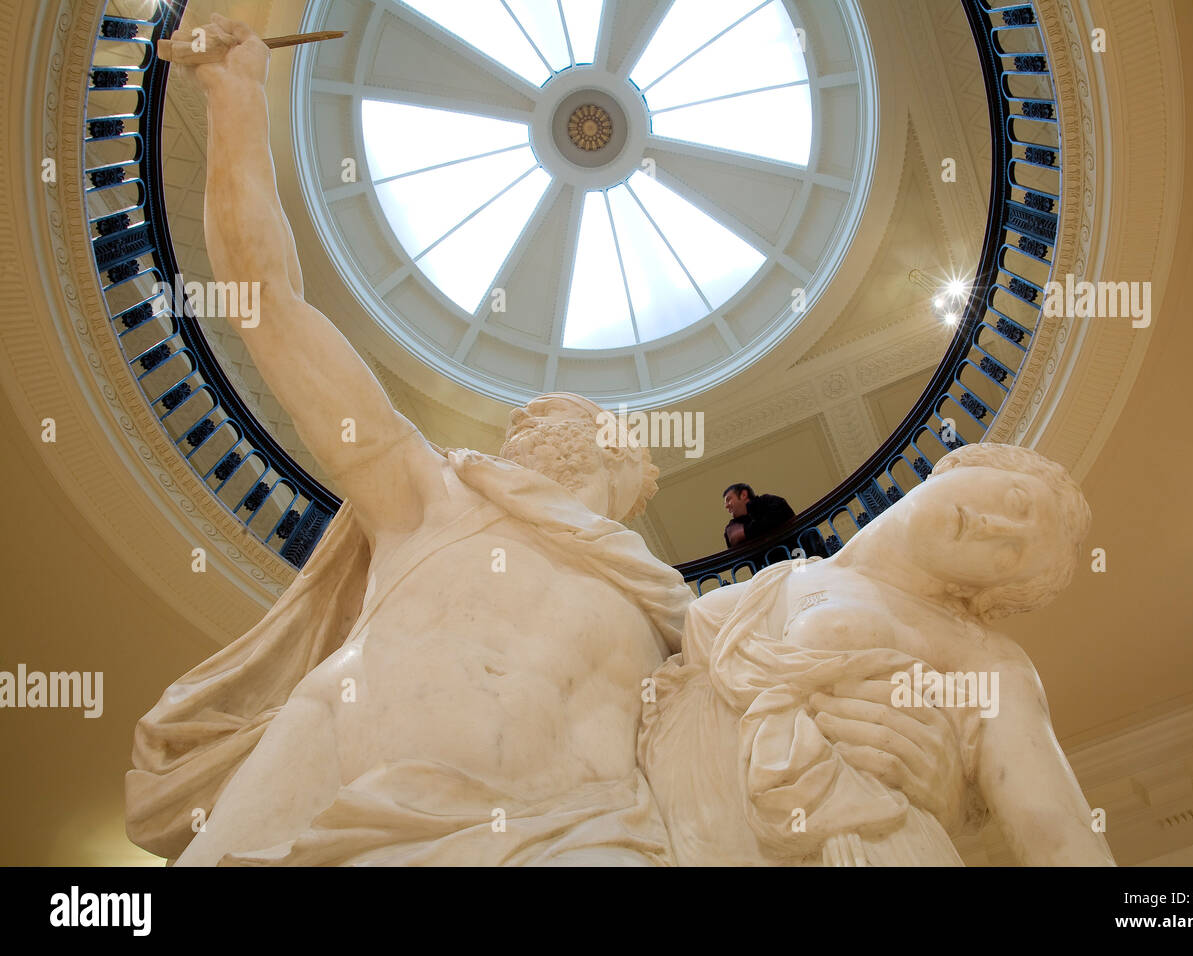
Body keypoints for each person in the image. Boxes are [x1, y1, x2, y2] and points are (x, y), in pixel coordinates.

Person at [125, 17, 966, 867]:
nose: (524, 427)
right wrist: (234, 100)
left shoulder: (677, 611)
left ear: (618, 455)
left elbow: (793, 707)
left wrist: (895, 758)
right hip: (333, 790)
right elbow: (268, 303)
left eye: (551, 418)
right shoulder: (431, 493)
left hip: (582, 835)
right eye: (527, 421)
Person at [641, 443, 1116, 866]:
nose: (993, 526)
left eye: (1008, 556)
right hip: (676, 827)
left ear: (976, 588)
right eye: (1016, 502)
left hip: (855, 845)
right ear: (960, 463)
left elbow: (1058, 835)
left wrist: (956, 798)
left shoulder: (984, 656)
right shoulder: (787, 576)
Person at [722, 483, 795, 547]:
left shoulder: (767, 501)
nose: (726, 506)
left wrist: (746, 532)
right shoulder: (732, 526)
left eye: (729, 500)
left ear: (743, 495)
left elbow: (779, 517)